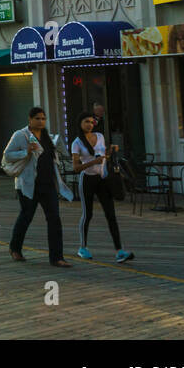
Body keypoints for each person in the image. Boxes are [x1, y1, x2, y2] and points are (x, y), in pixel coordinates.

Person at [5, 107, 73, 267]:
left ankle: (57, 257)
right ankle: (15, 248)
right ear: (30, 119)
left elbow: (60, 155)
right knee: (26, 216)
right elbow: (7, 155)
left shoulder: (49, 138)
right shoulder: (20, 136)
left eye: (43, 119)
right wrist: (25, 152)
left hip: (48, 184)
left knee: (54, 219)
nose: (41, 121)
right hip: (28, 184)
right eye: (37, 118)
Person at [71, 112, 134, 263]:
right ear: (80, 123)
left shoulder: (99, 136)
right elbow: (76, 168)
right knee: (88, 214)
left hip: (103, 178)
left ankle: (119, 251)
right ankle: (82, 247)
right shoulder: (77, 142)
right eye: (86, 122)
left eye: (92, 122)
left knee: (111, 214)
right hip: (87, 179)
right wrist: (94, 162)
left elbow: (103, 155)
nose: (90, 125)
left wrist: (110, 151)